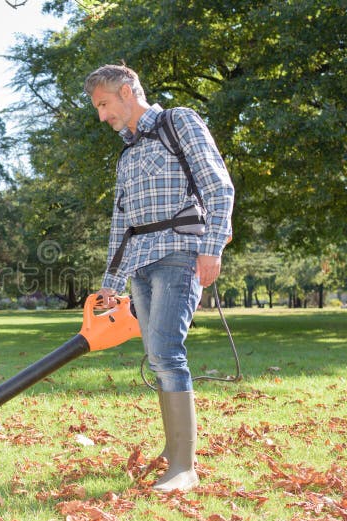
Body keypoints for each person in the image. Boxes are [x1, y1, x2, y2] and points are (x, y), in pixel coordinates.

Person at [83, 64, 234, 492]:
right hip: (141, 265)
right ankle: (173, 451)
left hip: (181, 254)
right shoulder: (127, 154)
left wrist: (212, 246)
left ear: (127, 92)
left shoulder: (178, 121)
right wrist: (111, 283)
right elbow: (121, 223)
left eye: (104, 104)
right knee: (155, 356)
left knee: (167, 351)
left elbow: (218, 186)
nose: (101, 115)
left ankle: (185, 467)